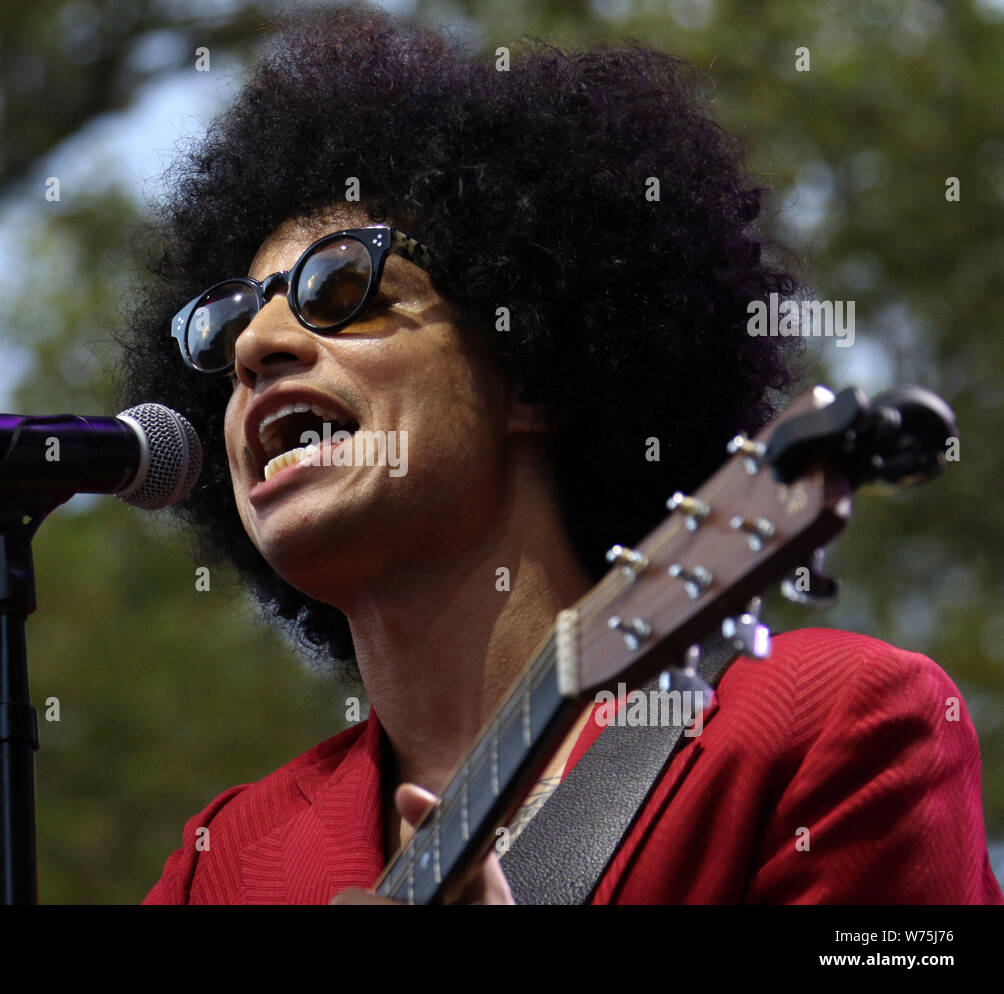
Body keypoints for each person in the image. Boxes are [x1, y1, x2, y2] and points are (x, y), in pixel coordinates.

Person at [118, 7, 1002, 904]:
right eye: (228, 325)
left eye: (343, 289)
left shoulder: (831, 726)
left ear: (533, 363)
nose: (256, 345)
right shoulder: (222, 862)